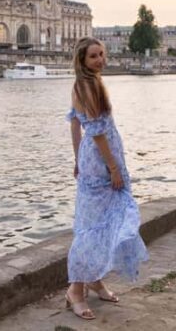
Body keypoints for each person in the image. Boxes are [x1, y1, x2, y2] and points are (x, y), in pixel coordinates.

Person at [64, 37, 148, 320]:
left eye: (102, 54)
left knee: (94, 222)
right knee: (97, 226)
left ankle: (94, 278)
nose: (100, 60)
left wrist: (77, 160)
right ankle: (76, 289)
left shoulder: (79, 84)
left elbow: (76, 126)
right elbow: (98, 133)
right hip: (102, 159)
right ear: (82, 61)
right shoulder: (91, 85)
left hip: (91, 159)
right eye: (94, 56)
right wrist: (113, 167)